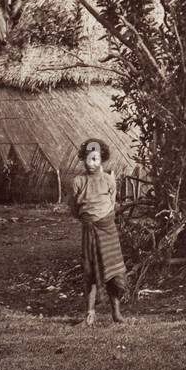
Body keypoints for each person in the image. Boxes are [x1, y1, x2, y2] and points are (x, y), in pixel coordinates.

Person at [70, 139, 129, 325]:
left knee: (112, 272)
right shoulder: (78, 181)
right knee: (90, 271)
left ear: (102, 159)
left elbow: (112, 203)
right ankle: (90, 313)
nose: (92, 163)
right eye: (88, 159)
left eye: (96, 159)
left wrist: (102, 217)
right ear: (83, 159)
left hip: (107, 229)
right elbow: (73, 207)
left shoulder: (109, 180)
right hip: (89, 231)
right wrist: (88, 220)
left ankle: (116, 313)